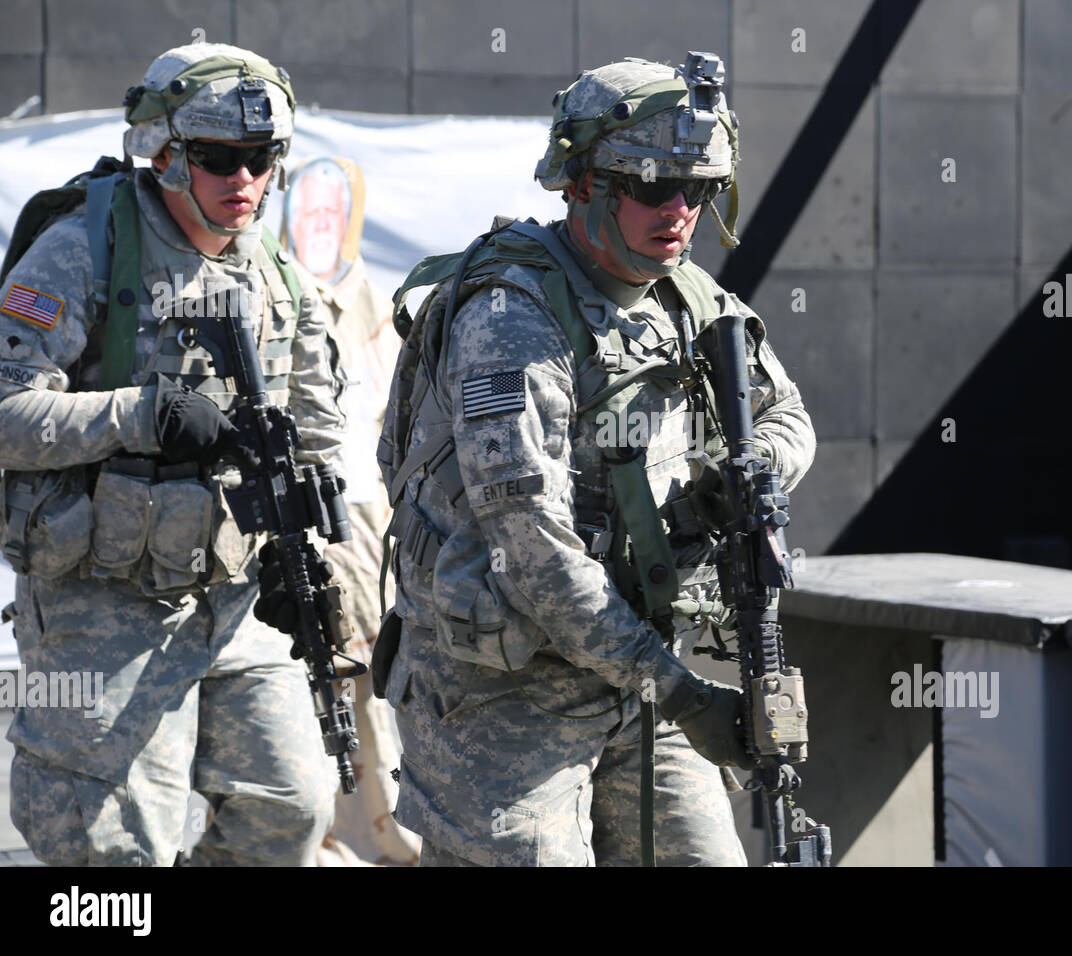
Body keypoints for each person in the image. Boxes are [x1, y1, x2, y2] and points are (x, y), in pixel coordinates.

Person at [378, 52, 815, 866]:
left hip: (638, 671)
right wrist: (683, 695)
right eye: (653, 186)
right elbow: (531, 547)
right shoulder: (509, 320)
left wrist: (737, 480)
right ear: (582, 184)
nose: (680, 211)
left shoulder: (691, 300)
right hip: (503, 694)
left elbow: (788, 415)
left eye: (700, 189)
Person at [0, 41, 346, 866]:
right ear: (162, 152)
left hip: (233, 595)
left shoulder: (278, 276)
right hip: (102, 595)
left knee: (291, 810)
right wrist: (142, 415)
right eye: (219, 159)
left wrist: (317, 546)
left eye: (262, 160)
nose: (244, 182)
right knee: (116, 852)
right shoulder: (87, 247)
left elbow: (318, 428)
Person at [280, 156, 420, 866]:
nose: (319, 229)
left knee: (365, 682)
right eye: (308, 214)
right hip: (281, 530)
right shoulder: (267, 298)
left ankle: (378, 837)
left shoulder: (376, 313)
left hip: (363, 526)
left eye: (332, 214)